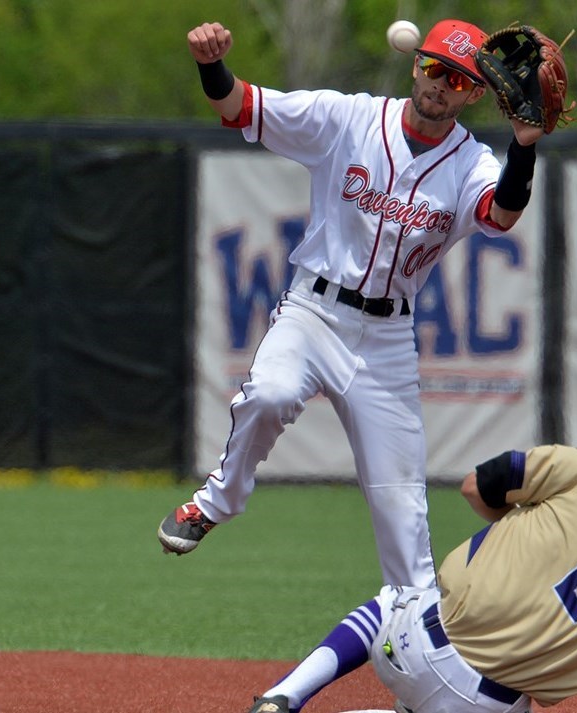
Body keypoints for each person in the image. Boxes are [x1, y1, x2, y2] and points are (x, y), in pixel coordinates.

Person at [158, 18, 548, 589]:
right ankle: (215, 504)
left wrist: (525, 146)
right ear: (417, 65)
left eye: (460, 80)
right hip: (313, 311)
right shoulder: (349, 118)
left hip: (387, 342)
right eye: (436, 68)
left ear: (476, 94)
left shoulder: (472, 164)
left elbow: (502, 213)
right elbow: (239, 107)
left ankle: (419, 639)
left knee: (404, 520)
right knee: (270, 393)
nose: (442, 85)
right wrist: (210, 63)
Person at [243, 438, 577, 713]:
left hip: (407, 643)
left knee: (397, 597)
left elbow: (477, 486)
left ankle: (286, 696)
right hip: (481, 706)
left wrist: (525, 528)